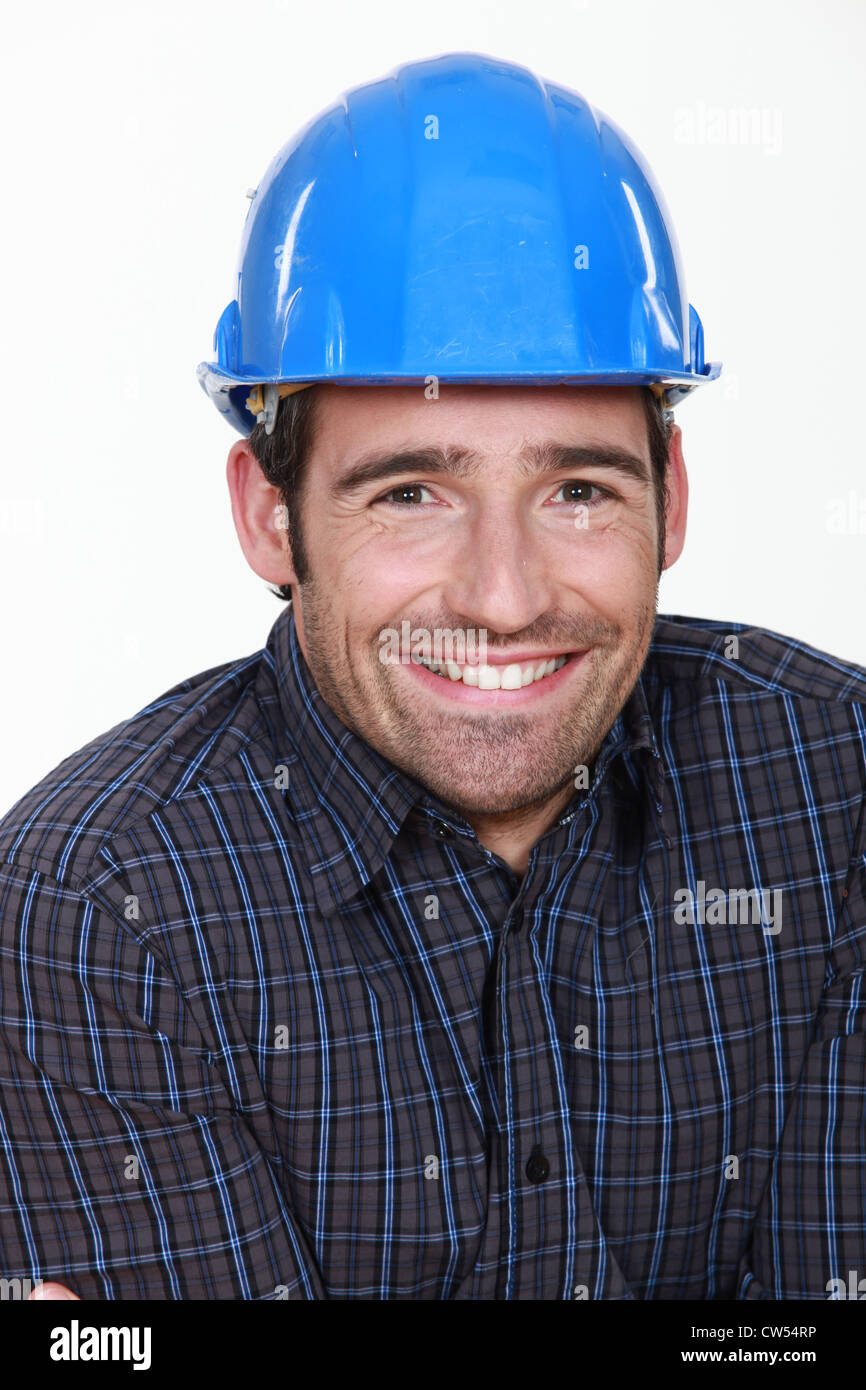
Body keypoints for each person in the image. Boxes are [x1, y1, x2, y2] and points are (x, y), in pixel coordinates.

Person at [5, 51, 865, 1302]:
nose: (504, 596)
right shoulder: (99, 915)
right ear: (269, 516)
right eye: (410, 493)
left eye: (577, 490)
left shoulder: (832, 790)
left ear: (668, 501)